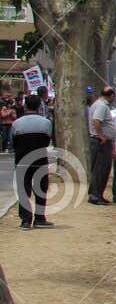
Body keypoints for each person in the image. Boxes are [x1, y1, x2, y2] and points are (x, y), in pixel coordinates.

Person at [11, 93, 53, 229]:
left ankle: (25, 220)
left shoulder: (16, 123)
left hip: (22, 160)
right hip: (40, 160)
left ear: (25, 106)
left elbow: (14, 142)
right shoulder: (46, 122)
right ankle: (40, 218)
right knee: (41, 188)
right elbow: (47, 141)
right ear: (39, 106)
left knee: (23, 190)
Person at [86, 85, 116, 205]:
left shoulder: (98, 105)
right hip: (100, 142)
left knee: (101, 169)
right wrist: (101, 136)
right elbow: (96, 121)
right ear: (111, 95)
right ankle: (95, 196)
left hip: (101, 141)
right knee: (100, 169)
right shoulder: (101, 106)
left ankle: (97, 194)